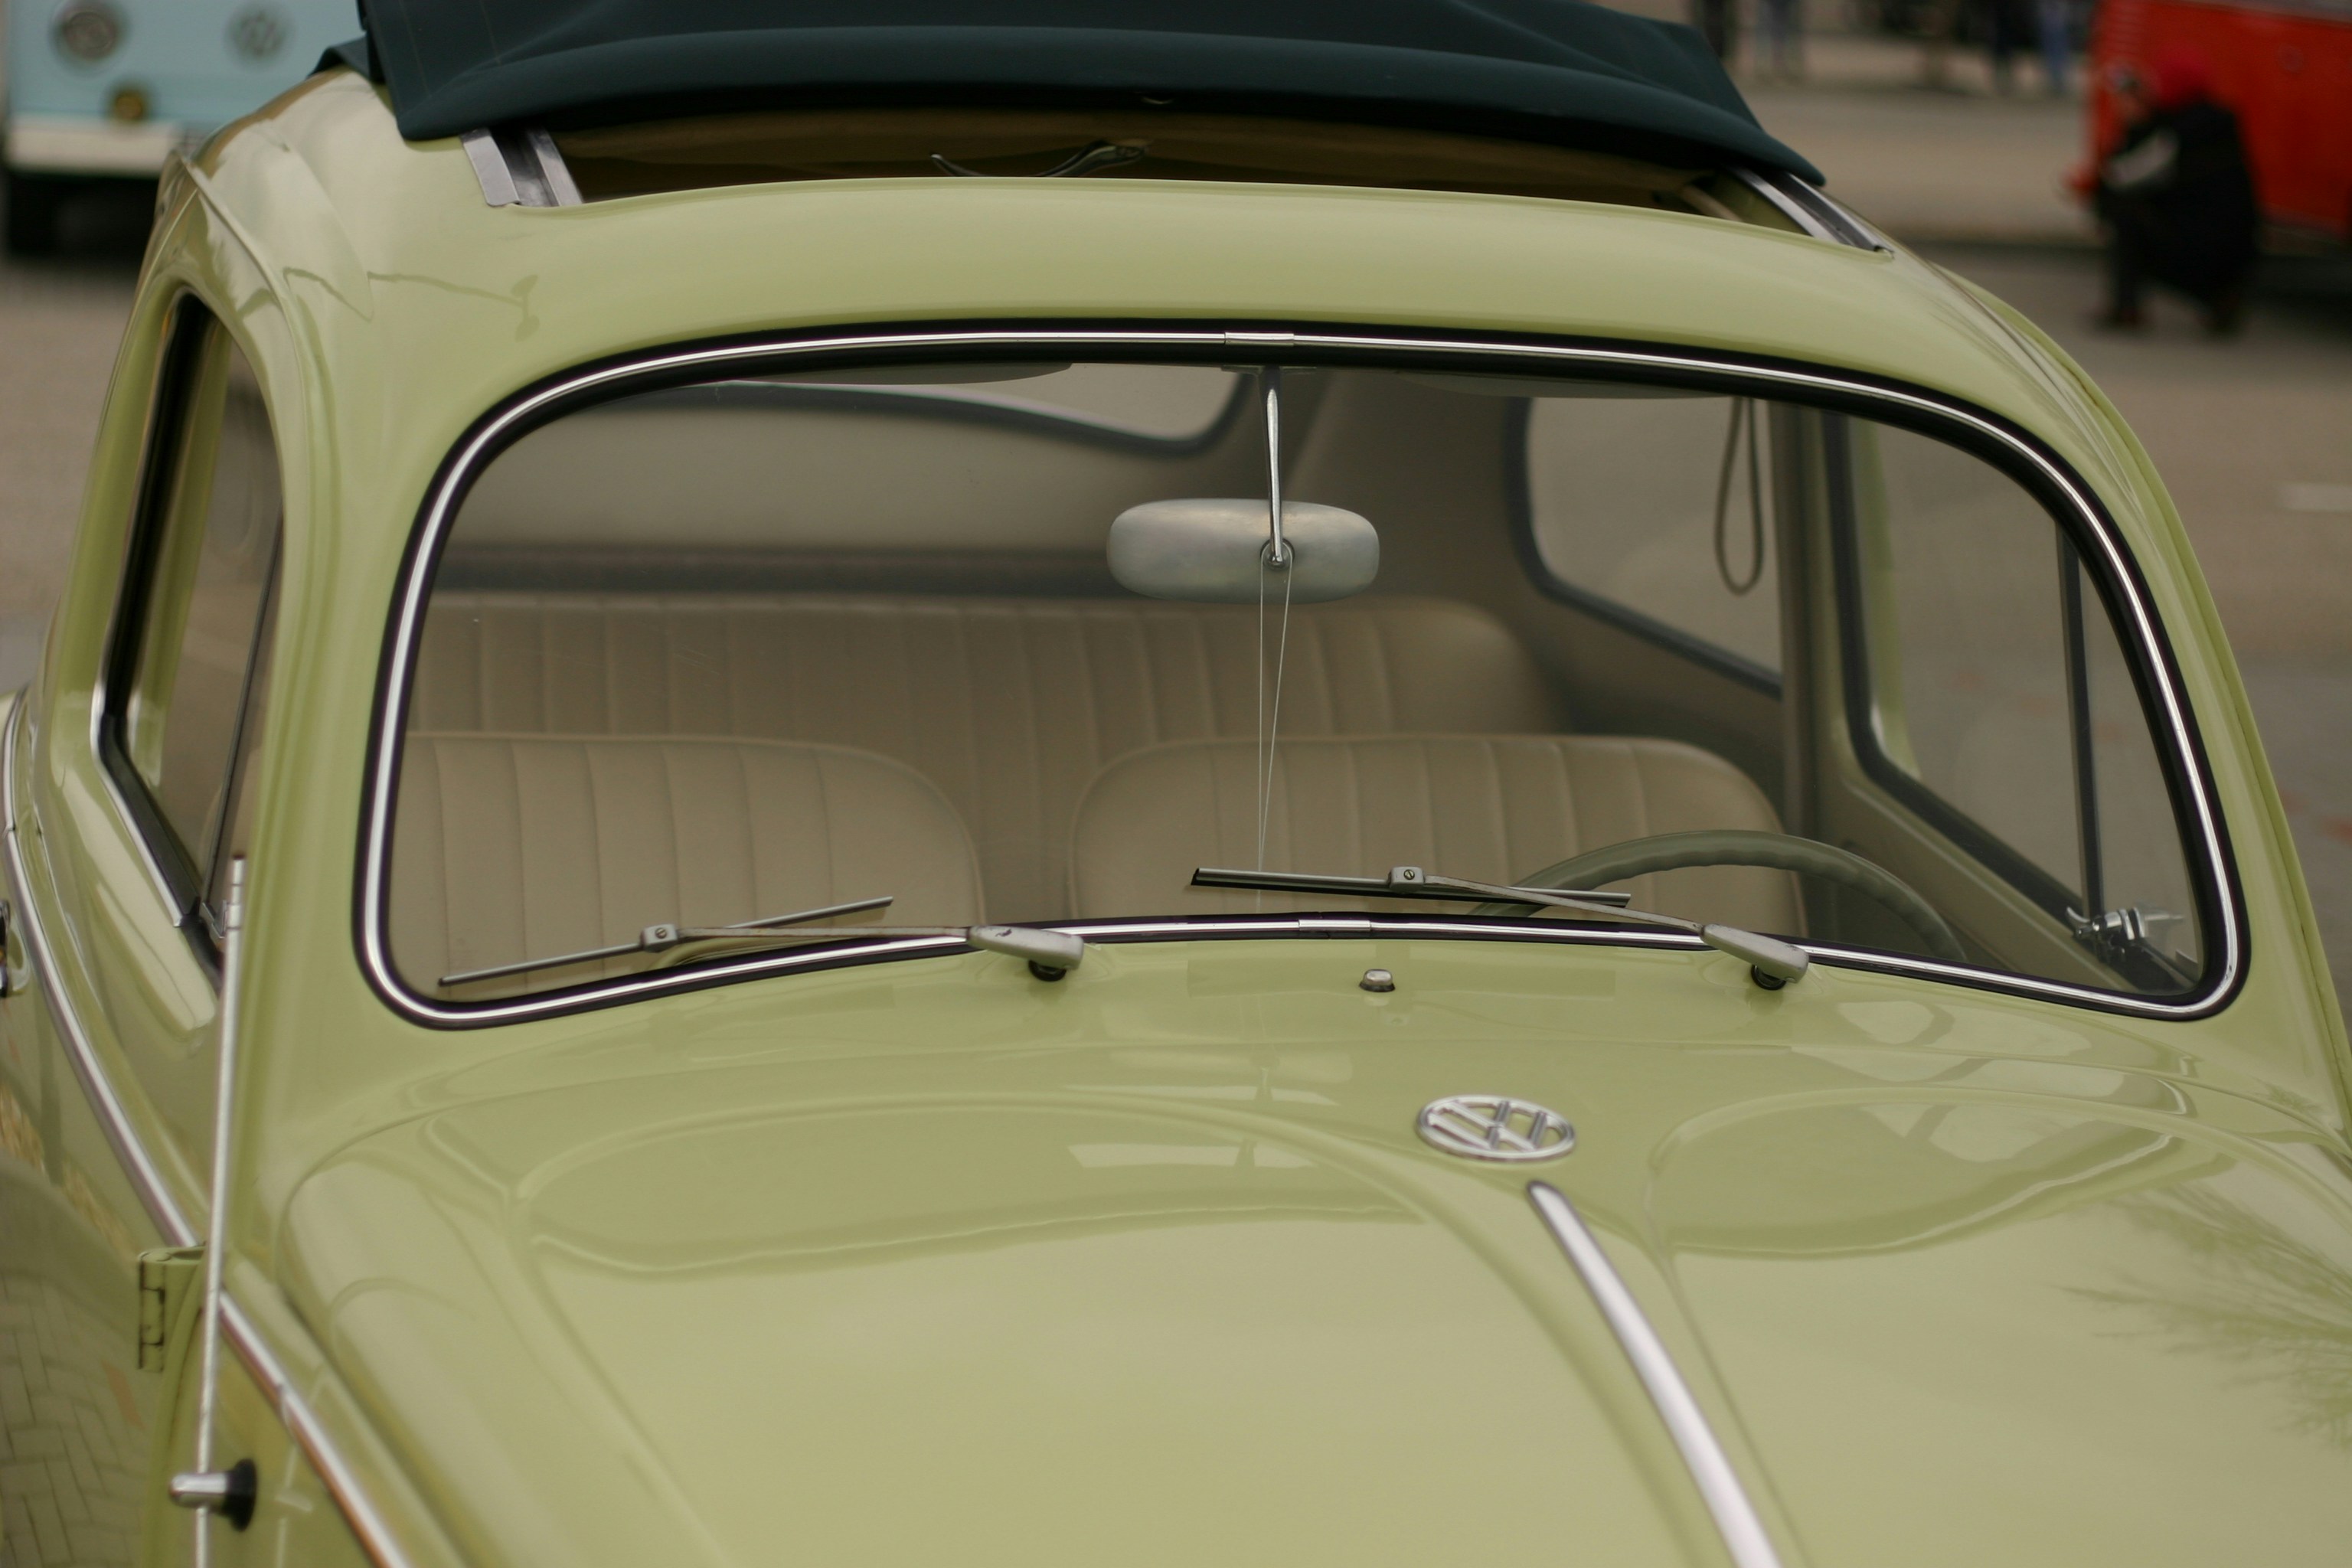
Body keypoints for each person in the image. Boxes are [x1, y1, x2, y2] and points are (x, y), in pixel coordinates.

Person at [2088, 47, 2260, 333]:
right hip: (2237, 250)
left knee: (2126, 216)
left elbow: (2122, 177)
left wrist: (2132, 127)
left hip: (2197, 247)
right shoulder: (2219, 123)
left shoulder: (2177, 131)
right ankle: (2221, 299)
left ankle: (2127, 308)